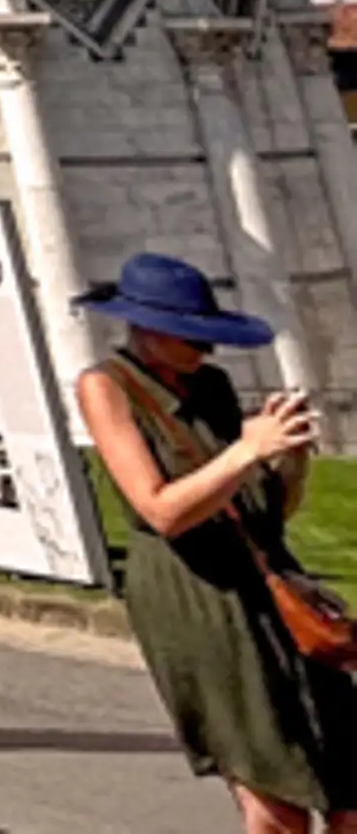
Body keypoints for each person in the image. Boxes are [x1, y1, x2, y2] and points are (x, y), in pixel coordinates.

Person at [75, 253, 357, 828]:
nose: (205, 351)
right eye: (192, 337)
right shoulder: (105, 387)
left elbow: (266, 511)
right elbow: (161, 511)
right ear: (147, 329)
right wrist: (247, 450)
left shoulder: (213, 387)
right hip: (196, 595)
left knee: (347, 779)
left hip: (263, 579)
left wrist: (288, 459)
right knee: (274, 797)